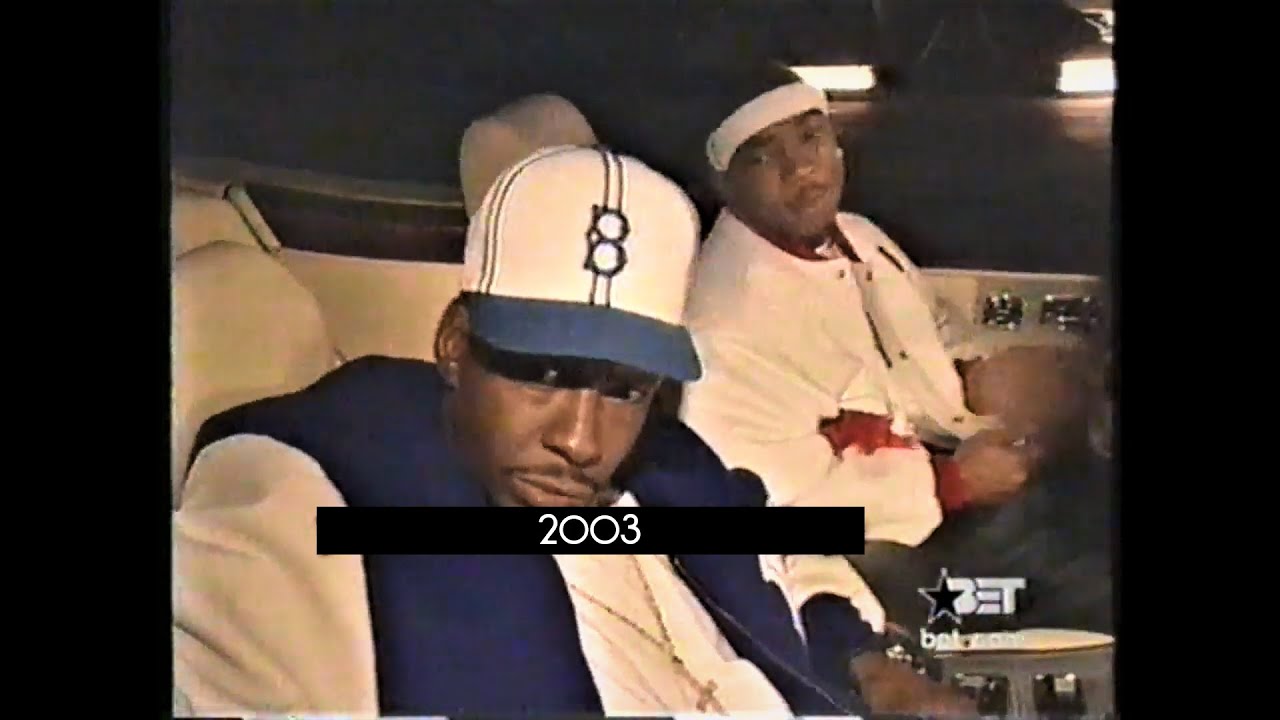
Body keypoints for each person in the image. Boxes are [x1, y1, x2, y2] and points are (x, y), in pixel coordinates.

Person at [172, 145, 980, 716]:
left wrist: (865, 666)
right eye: (544, 375)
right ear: (454, 345)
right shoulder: (316, 495)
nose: (583, 441)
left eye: (624, 389)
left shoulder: (671, 469)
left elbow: (782, 552)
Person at [677, 64, 1111, 635]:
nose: (801, 167)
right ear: (723, 182)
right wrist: (950, 484)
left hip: (957, 508)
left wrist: (978, 376)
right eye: (762, 156)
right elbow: (767, 527)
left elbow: (922, 340)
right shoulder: (723, 331)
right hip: (892, 577)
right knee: (1085, 591)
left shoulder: (857, 238)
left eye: (811, 137)